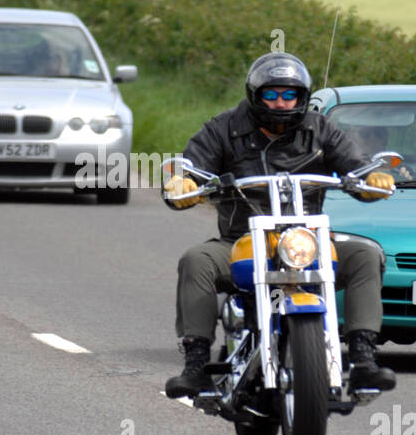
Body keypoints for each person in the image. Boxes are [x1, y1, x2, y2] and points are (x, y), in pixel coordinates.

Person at [160, 52, 397, 399]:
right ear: (256, 96)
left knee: (364, 254)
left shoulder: (321, 129)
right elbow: (192, 166)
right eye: (271, 95)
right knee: (196, 260)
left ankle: (362, 357)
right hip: (240, 241)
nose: (282, 103)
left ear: (303, 97)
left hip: (305, 241)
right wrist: (184, 183)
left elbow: (355, 164)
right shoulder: (223, 127)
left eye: (290, 95)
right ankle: (196, 364)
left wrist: (370, 176)